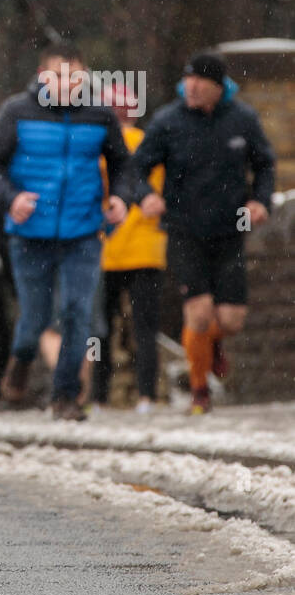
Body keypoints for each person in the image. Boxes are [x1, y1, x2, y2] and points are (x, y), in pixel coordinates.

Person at [0, 43, 130, 421]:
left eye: (74, 76)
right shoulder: (17, 111)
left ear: (85, 77)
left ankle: (65, 397)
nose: (67, 83)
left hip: (83, 232)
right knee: (34, 319)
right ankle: (21, 361)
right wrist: (11, 199)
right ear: (43, 76)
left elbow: (125, 165)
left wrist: (122, 198)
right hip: (30, 233)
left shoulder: (99, 115)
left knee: (77, 312)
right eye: (58, 75)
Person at [119, 53, 275, 415]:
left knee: (231, 321)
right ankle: (200, 389)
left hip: (231, 228)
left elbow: (264, 164)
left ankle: (210, 344)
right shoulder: (168, 121)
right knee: (200, 314)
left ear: (219, 88)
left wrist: (261, 201)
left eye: (199, 83)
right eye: (186, 81)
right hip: (183, 229)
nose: (190, 88)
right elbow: (135, 168)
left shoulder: (243, 119)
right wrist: (146, 196)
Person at [92, 83, 164, 412]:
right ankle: (147, 396)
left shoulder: (100, 144)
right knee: (146, 328)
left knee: (100, 329)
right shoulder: (151, 143)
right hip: (147, 247)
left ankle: (98, 395)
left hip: (106, 245)